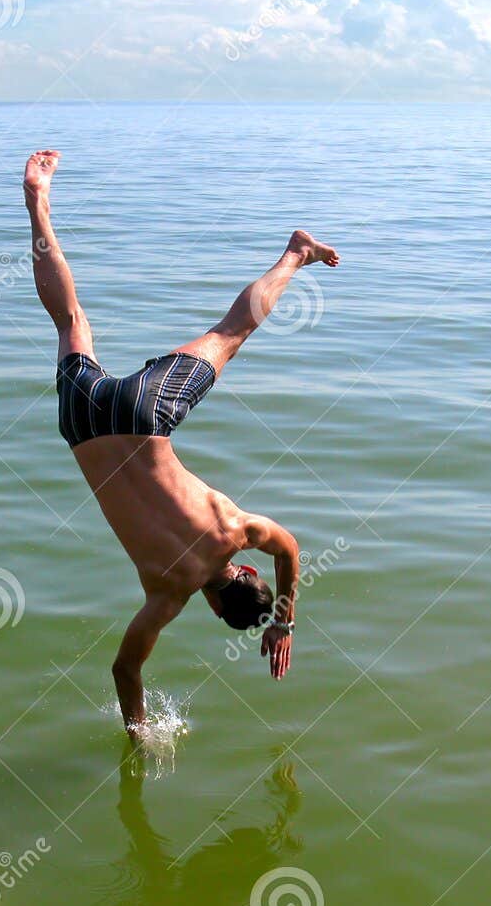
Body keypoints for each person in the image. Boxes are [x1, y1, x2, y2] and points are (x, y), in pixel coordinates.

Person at [23, 149, 340, 738]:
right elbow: (124, 670)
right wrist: (140, 735)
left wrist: (287, 620)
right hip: (83, 426)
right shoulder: (165, 596)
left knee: (231, 332)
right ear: (213, 606)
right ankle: (37, 205)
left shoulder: (236, 530)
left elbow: (291, 550)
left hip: (144, 417)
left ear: (246, 570)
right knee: (69, 322)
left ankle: (296, 254)